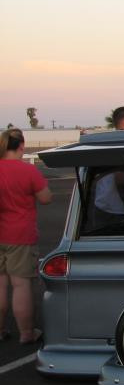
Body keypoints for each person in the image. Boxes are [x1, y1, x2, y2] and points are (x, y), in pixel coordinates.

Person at [0, 128, 52, 344]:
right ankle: (26, 332)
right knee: (21, 285)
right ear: (21, 146)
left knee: (0, 285)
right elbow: (46, 198)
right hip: (20, 234)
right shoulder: (27, 171)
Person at [93, 105, 124, 223]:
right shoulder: (123, 143)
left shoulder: (106, 142)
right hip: (118, 212)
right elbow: (120, 178)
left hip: (101, 206)